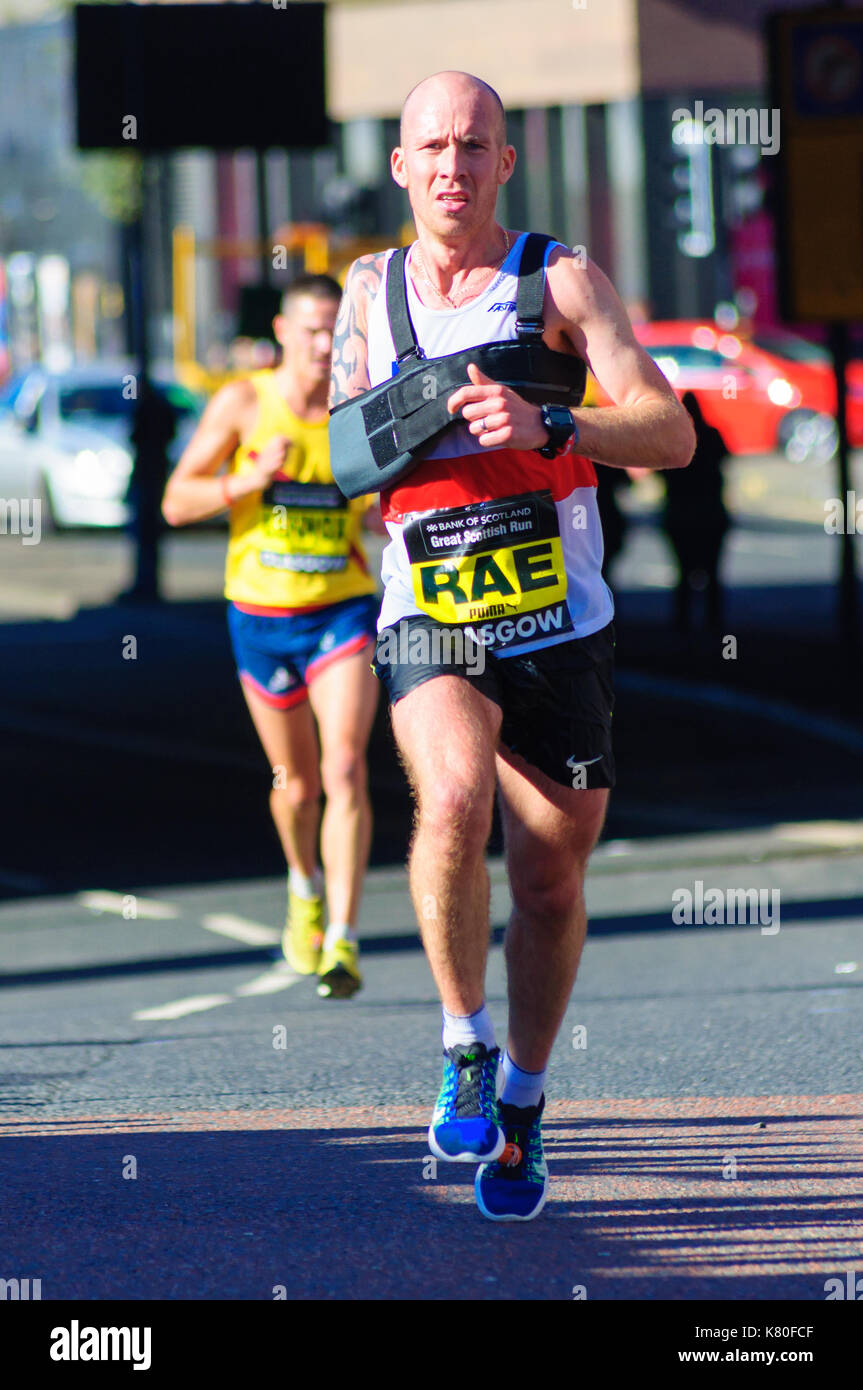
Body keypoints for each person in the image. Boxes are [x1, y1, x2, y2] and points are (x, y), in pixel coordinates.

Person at [329, 71, 694, 1220]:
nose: (450, 165)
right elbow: (344, 449)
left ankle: (525, 1107)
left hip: (556, 619)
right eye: (430, 146)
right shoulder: (367, 290)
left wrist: (554, 421)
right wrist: (400, 425)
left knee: (547, 877)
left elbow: (671, 431)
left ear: (504, 162)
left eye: (472, 145)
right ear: (400, 167)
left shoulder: (559, 278)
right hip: (430, 606)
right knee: (447, 803)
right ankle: (461, 1041)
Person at [163, 274, 380, 999]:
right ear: (284, 332)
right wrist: (242, 481)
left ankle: (342, 941)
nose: (324, 344)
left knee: (346, 769)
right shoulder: (243, 402)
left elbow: (387, 510)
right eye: (312, 329)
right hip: (260, 619)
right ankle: (304, 885)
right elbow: (174, 500)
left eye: (335, 330)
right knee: (296, 787)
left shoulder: (356, 409)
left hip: (341, 613)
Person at [661, 391, 730, 633]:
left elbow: (661, 471)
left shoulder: (674, 438)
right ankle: (713, 625)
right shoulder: (712, 435)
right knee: (712, 572)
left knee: (684, 573)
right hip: (709, 513)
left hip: (682, 513)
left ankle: (683, 627)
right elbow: (724, 461)